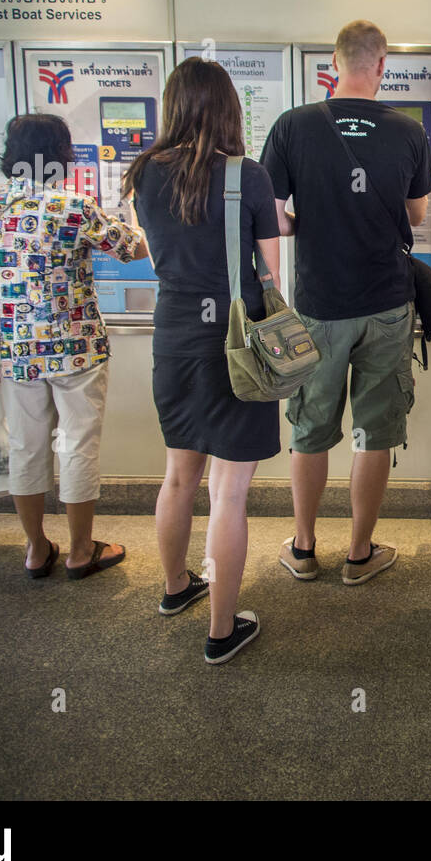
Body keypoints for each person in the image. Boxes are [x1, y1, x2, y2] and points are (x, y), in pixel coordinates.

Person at [261, 20, 431, 585]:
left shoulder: (294, 125)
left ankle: (305, 548)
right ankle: (360, 553)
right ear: (381, 66)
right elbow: (417, 216)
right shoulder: (408, 131)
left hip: (317, 306)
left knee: (310, 430)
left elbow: (271, 212)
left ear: (333, 65)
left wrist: (304, 221)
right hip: (386, 303)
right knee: (374, 432)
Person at [126, 57, 283, 665]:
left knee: (177, 476)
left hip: (173, 338)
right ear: (228, 108)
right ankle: (222, 629)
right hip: (236, 341)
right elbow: (268, 271)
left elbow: (161, 249)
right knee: (228, 494)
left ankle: (174, 589)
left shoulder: (144, 173)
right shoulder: (250, 175)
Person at [0, 115, 146, 581]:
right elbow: (134, 249)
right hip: (76, 348)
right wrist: (133, 212)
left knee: (27, 447)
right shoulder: (73, 206)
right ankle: (81, 550)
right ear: (62, 154)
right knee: (77, 444)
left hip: (16, 351)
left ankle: (34, 549)